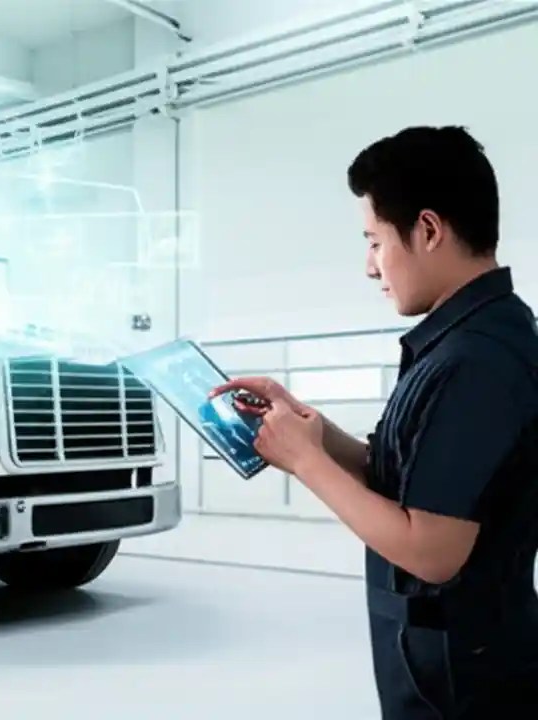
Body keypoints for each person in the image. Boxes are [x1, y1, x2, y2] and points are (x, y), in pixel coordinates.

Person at [212, 125, 538, 718]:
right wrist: (308, 425)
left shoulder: (476, 361)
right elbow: (403, 473)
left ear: (429, 230)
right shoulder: (461, 341)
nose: (370, 267)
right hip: (451, 660)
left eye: (375, 241)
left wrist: (306, 461)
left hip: (466, 679)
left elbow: (433, 549)